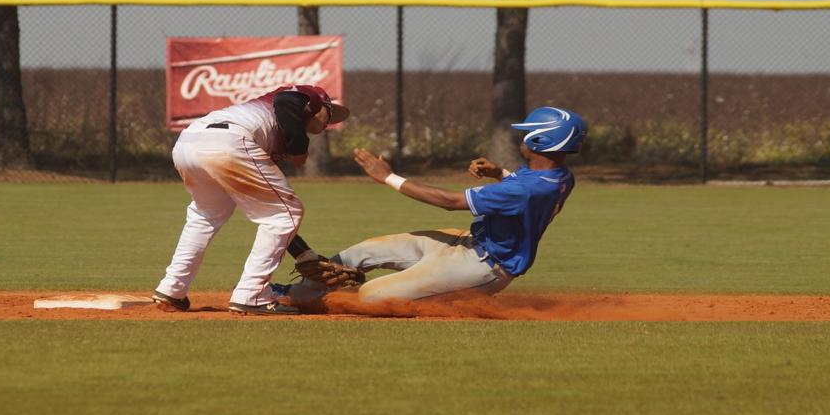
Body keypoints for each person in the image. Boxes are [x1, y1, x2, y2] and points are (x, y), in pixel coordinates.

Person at [274, 106, 584, 310]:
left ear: (541, 141)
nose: (522, 135)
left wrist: (389, 178)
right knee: (360, 254)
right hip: (465, 242)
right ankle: (295, 296)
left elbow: (449, 202)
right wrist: (499, 173)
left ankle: (330, 300)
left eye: (528, 131)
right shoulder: (557, 175)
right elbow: (524, 191)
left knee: (372, 297)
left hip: (481, 268)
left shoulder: (525, 189)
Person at [151, 85, 350, 315]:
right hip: (227, 141)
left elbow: (266, 209)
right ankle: (251, 294)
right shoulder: (303, 95)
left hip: (189, 142)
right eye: (329, 113)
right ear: (318, 105)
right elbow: (286, 102)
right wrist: (300, 148)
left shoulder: (276, 129)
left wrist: (304, 254)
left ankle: (172, 289)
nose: (330, 121)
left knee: (205, 216)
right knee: (287, 213)